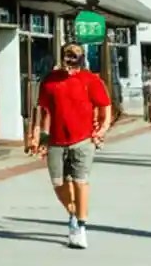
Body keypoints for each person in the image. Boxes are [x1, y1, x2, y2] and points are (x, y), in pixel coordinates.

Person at [27, 41, 112, 250]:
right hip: (56, 140)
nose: (71, 58)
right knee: (58, 183)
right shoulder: (50, 81)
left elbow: (105, 106)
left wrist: (102, 128)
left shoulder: (90, 80)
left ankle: (80, 226)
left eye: (75, 55)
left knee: (80, 181)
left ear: (81, 58)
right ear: (62, 55)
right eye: (67, 54)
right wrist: (35, 134)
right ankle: (73, 212)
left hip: (82, 140)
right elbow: (41, 109)